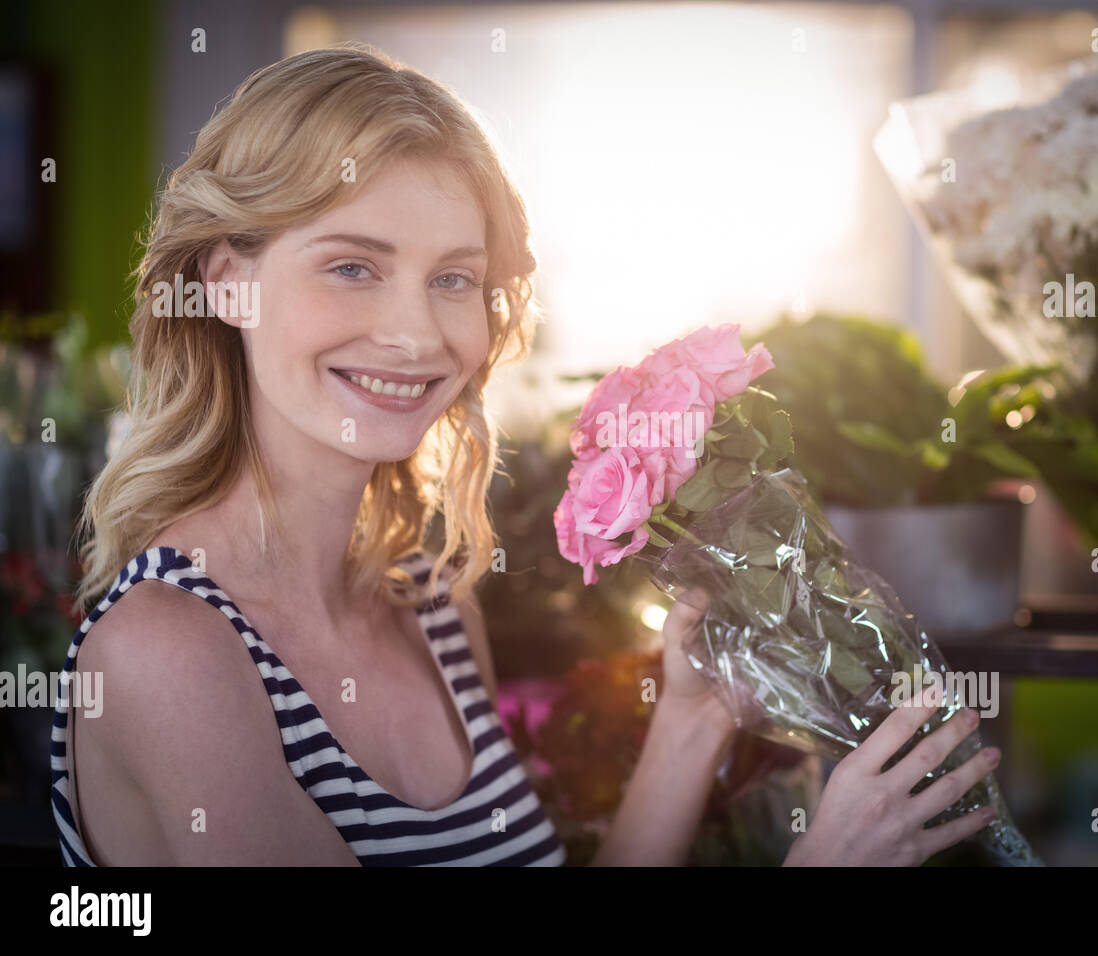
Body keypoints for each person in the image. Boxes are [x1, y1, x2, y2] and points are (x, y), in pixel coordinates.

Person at [50, 44, 999, 866]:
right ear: (227, 283)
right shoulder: (166, 651)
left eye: (453, 279)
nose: (416, 334)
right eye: (353, 266)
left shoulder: (430, 601)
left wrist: (689, 720)